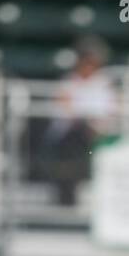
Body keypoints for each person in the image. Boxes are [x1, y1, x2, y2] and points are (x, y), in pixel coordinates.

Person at [42, 36, 116, 205]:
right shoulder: (68, 82)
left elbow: (108, 114)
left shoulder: (104, 84)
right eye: (86, 62)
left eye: (93, 62)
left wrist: (88, 121)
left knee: (81, 136)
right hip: (70, 137)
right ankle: (67, 188)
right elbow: (62, 113)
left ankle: (72, 182)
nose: (89, 67)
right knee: (71, 140)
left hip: (94, 135)